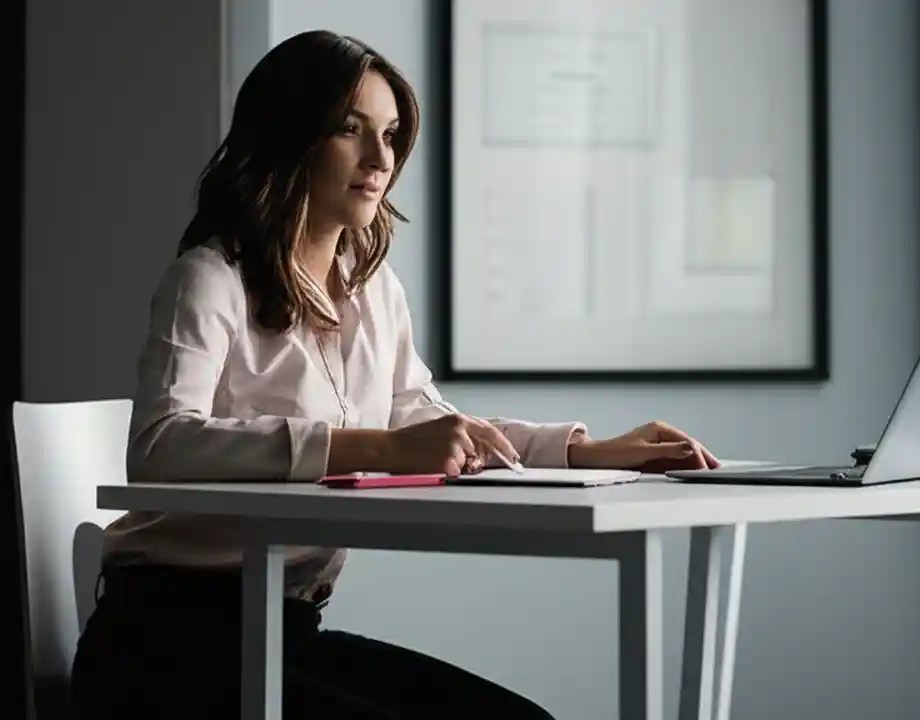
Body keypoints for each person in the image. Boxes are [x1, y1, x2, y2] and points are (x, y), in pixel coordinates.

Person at [70, 29, 720, 720]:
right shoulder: (207, 277)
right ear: (291, 134)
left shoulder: (373, 292)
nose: (381, 159)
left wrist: (584, 451)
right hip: (161, 647)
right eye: (351, 130)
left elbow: (425, 422)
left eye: (391, 134)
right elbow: (161, 445)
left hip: (285, 632)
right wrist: (371, 448)